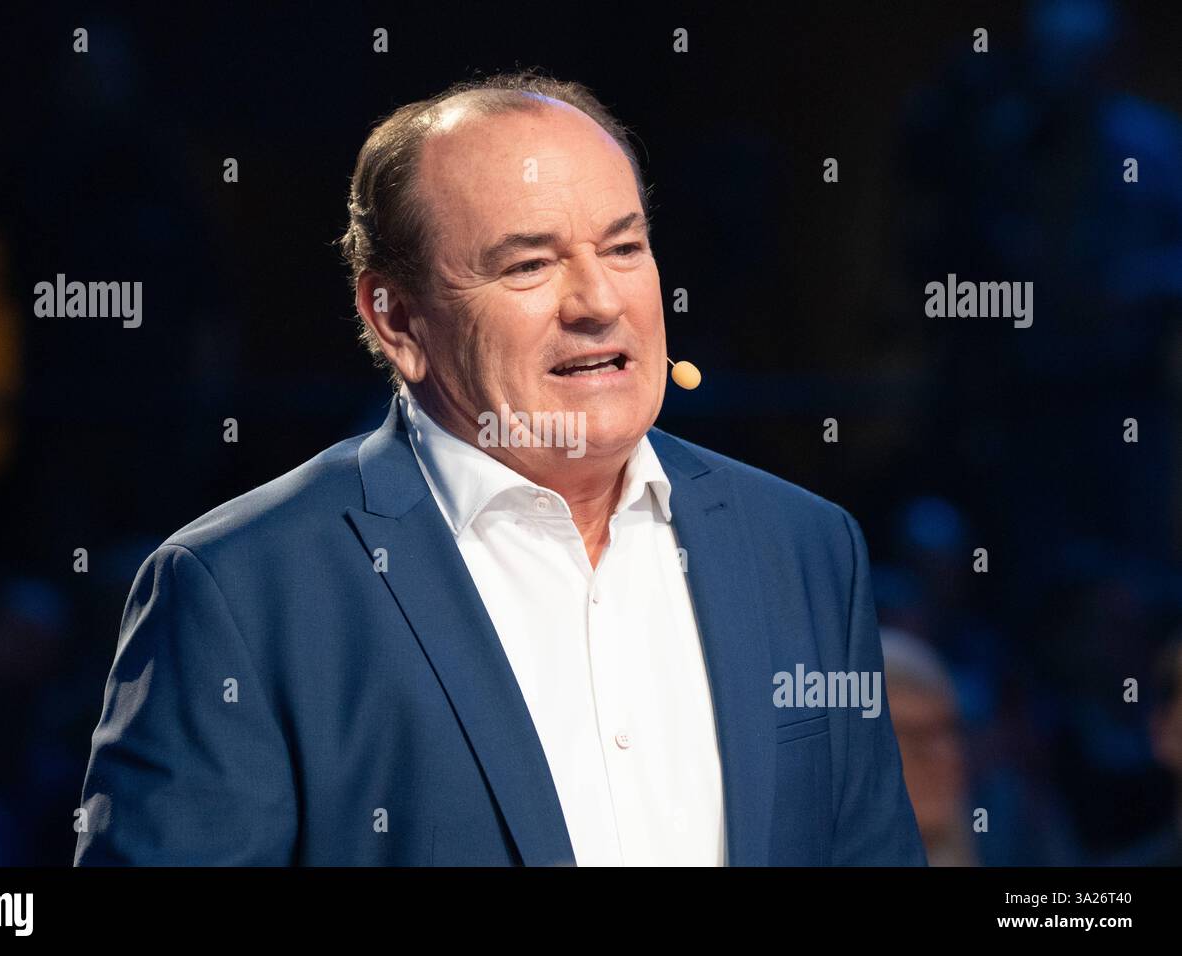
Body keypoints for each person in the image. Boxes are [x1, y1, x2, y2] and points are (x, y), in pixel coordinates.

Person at [74, 70, 926, 866]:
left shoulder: (806, 548)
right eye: (530, 265)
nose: (599, 302)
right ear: (396, 319)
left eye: (624, 248)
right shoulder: (241, 592)